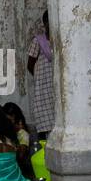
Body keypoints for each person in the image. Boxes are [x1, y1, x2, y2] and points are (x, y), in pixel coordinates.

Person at [26, 12, 55, 141]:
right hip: (44, 87)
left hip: (55, 86)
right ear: (45, 23)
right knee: (46, 121)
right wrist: (39, 79)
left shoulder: (57, 39)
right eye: (48, 21)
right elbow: (30, 64)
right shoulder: (38, 41)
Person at [3, 102, 35, 181]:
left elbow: (21, 156)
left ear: (14, 118)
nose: (7, 123)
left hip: (21, 170)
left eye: (8, 120)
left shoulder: (22, 134)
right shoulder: (10, 131)